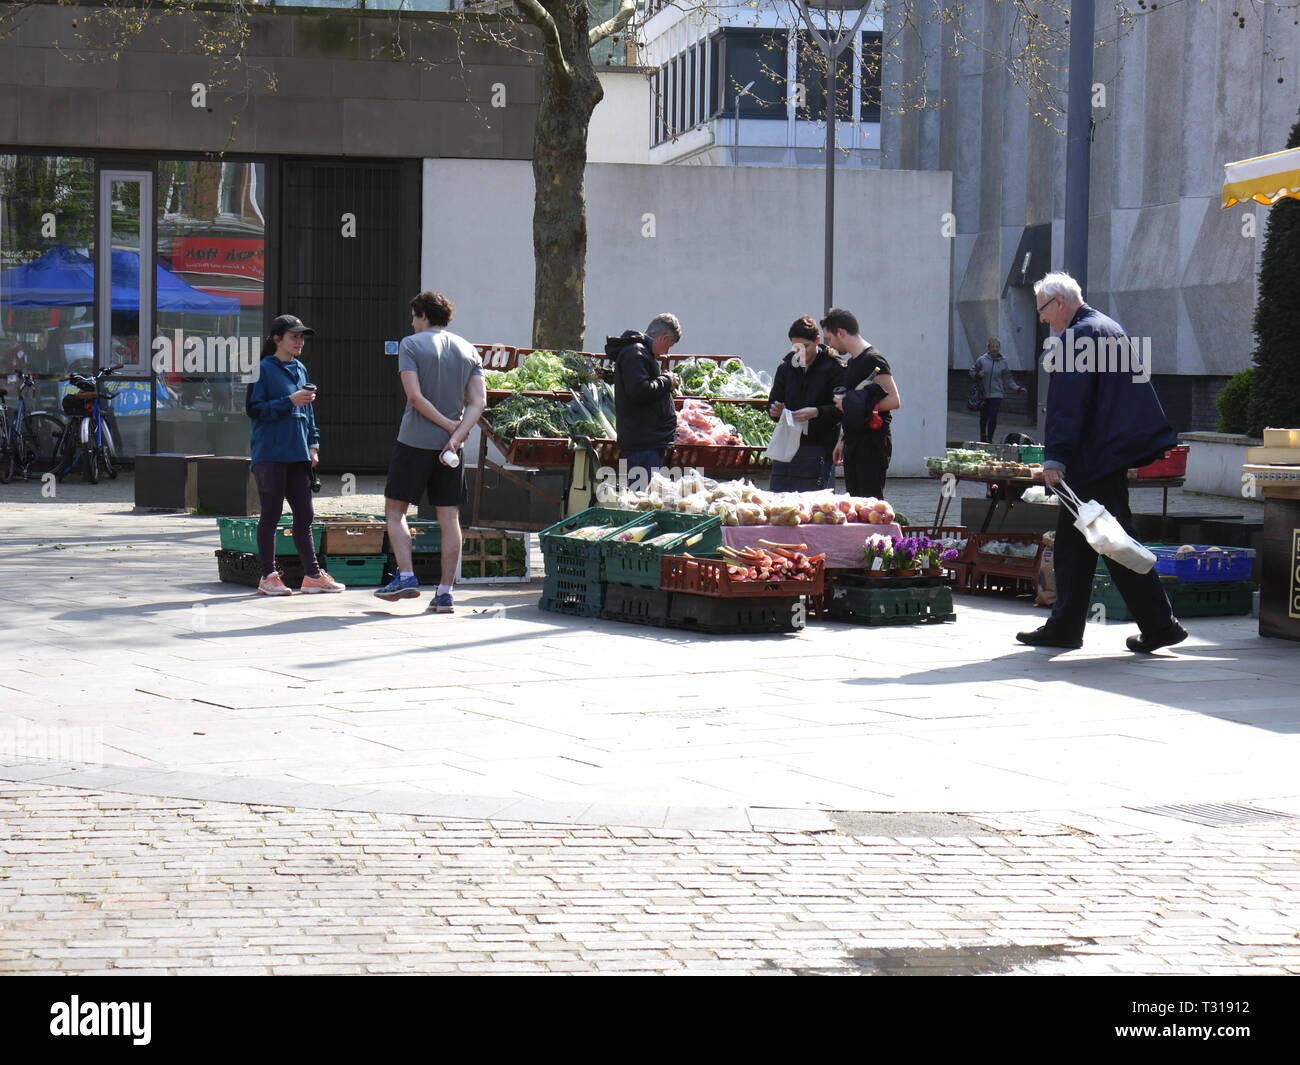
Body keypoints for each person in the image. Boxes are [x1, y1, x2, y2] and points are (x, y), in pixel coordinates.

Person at [1017, 271, 1187, 653]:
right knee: (1079, 546)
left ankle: (1160, 624)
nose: (1042, 319)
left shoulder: (1077, 337)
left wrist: (1056, 457)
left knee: (1114, 542)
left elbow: (1067, 406)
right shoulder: (1108, 327)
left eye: (1042, 310)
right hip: (1107, 453)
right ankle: (1066, 626)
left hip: (1090, 458)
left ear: (1059, 303)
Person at [373, 290, 486, 614]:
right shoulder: (468, 349)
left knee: (396, 512)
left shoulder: (411, 344)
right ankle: (445, 592)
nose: (412, 323)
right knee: (449, 518)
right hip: (451, 451)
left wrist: (448, 426)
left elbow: (415, 398)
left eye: (413, 316)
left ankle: (407, 575)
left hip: (414, 442)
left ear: (422, 315)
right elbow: (479, 402)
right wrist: (457, 433)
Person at [246, 314, 344, 596]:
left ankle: (312, 575)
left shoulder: (300, 369)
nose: (300, 341)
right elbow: (253, 409)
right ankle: (268, 576)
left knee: (305, 513)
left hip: (298, 454)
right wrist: (288, 401)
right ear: (277, 339)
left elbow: (309, 412)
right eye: (294, 336)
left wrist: (314, 444)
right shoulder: (262, 368)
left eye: (302, 337)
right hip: (270, 453)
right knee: (272, 513)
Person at [823, 307, 900, 499]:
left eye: (830, 338)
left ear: (841, 332)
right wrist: (843, 439)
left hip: (872, 445)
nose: (830, 345)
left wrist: (849, 404)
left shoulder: (873, 359)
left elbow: (893, 400)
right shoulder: (852, 363)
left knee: (870, 504)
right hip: (854, 442)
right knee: (856, 504)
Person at [767, 316, 843, 491]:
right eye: (796, 348)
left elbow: (842, 410)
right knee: (778, 499)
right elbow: (773, 402)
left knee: (810, 503)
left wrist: (817, 412)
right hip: (786, 445)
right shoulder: (786, 368)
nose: (800, 352)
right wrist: (775, 410)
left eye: (805, 347)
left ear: (817, 341)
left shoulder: (834, 368)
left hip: (818, 447)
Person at [608, 313, 682, 487]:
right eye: (669, 345)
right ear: (664, 338)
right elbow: (640, 391)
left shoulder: (639, 352)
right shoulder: (636, 353)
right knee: (642, 497)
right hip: (643, 444)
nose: (667, 352)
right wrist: (667, 381)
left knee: (646, 495)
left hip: (646, 441)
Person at [970, 337, 1026, 443]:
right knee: (984, 417)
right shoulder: (982, 360)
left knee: (993, 416)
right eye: (992, 347)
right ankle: (983, 434)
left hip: (997, 394)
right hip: (984, 394)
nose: (995, 349)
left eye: (997, 347)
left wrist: (1017, 388)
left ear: (999, 348)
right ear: (988, 348)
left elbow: (1008, 379)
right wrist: (978, 375)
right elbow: (972, 371)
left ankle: (990, 439)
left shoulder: (1003, 362)